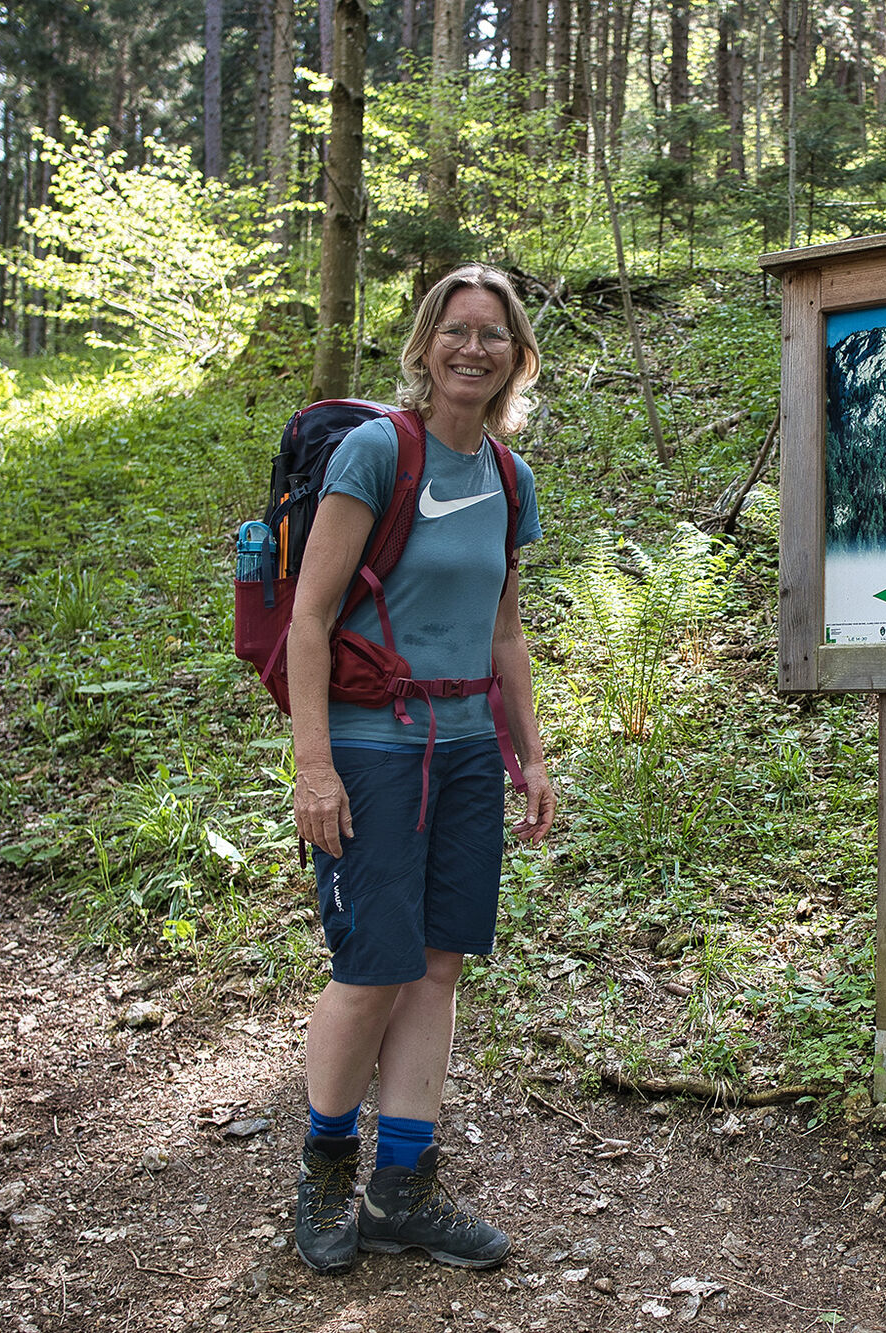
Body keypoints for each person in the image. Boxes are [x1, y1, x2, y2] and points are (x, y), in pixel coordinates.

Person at [286, 263, 556, 1275]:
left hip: (468, 748)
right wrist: (314, 767)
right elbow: (310, 619)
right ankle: (323, 1172)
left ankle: (402, 1187)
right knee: (371, 967)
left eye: (493, 335)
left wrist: (530, 753)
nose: (472, 348)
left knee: (439, 961)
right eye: (456, 330)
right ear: (426, 344)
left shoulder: (506, 474)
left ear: (515, 356)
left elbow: (503, 630)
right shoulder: (375, 453)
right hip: (370, 747)